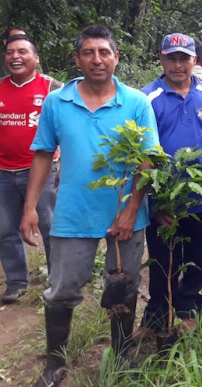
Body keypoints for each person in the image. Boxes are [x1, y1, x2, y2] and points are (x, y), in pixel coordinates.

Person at [20, 25, 159, 387]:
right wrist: (30, 207)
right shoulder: (57, 102)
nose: (97, 59)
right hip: (72, 212)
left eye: (104, 52)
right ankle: (55, 363)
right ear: (76, 58)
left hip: (125, 216)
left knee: (123, 287)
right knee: (63, 289)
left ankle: (123, 356)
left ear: (116, 57)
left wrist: (130, 212)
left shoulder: (136, 103)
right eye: (88, 53)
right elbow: (43, 154)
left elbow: (148, 161)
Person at [137, 34, 202, 337]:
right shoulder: (146, 99)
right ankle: (157, 315)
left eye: (184, 58)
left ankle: (189, 310)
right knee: (162, 258)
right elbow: (141, 154)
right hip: (164, 200)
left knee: (198, 256)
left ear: (195, 61)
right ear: (161, 59)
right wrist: (156, 199)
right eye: (171, 58)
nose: (177, 65)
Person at [0, 34, 61, 304]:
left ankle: (58, 279)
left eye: (22, 52)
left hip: (41, 171)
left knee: (49, 226)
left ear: (36, 58)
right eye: (10, 52)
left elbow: (69, 128)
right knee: (3, 229)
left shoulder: (53, 89)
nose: (15, 57)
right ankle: (15, 281)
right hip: (2, 172)